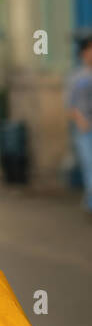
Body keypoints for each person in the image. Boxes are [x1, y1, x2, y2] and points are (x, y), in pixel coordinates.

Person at [67, 34, 92, 213]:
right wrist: (81, 120)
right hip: (84, 130)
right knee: (89, 167)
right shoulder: (77, 77)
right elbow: (70, 104)